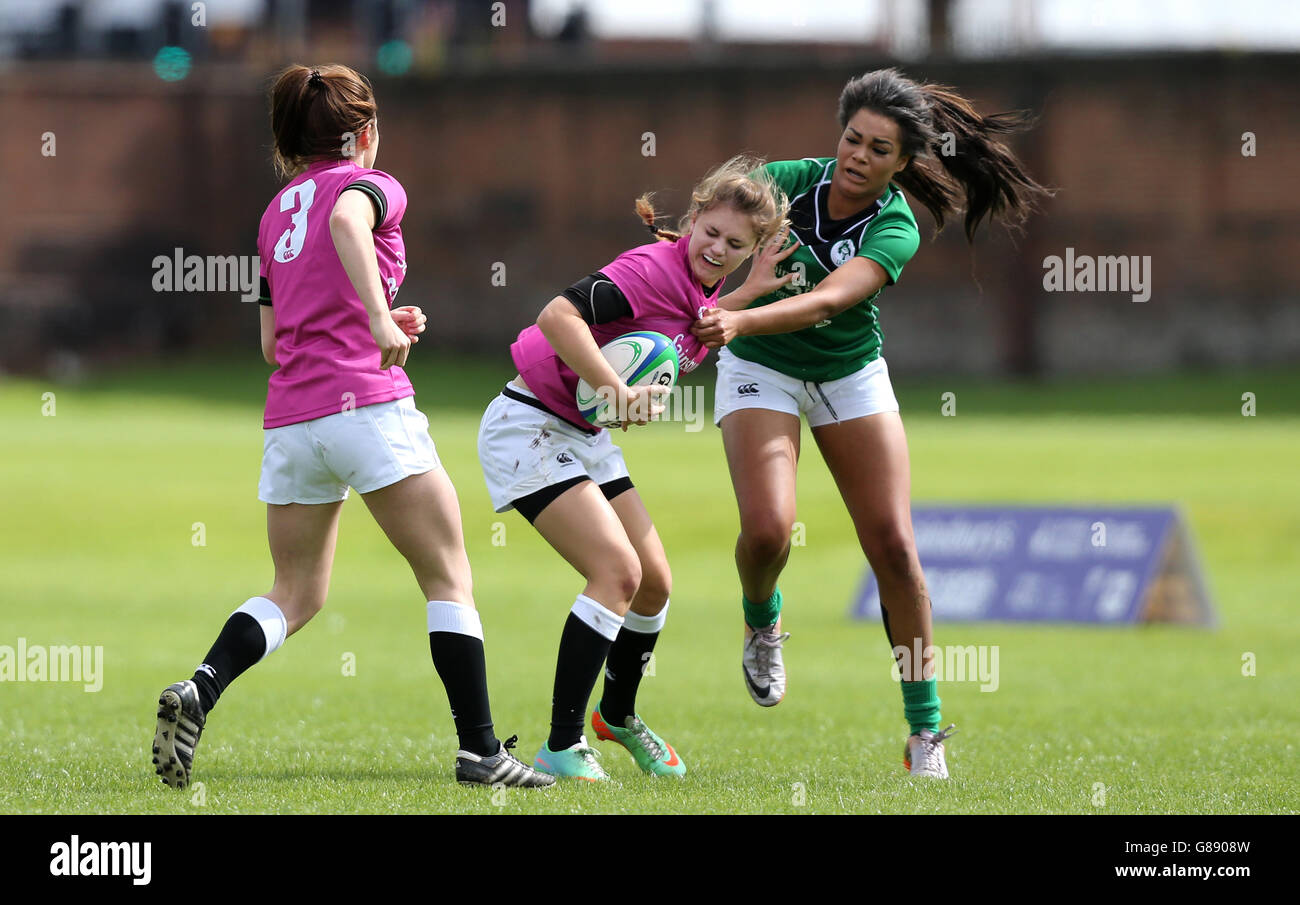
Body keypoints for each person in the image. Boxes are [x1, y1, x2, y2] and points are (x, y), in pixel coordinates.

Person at [151, 64, 552, 791]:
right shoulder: (371, 184)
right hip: (365, 405)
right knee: (448, 575)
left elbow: (275, 342)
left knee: (296, 590)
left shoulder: (274, 214)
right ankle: (482, 751)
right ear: (364, 133)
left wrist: (370, 315)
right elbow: (346, 222)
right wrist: (374, 318)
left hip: (292, 419)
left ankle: (202, 685)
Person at [691, 69, 1052, 778]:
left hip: (848, 374)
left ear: (903, 161)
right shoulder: (786, 182)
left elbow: (829, 301)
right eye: (852, 138)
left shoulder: (895, 226)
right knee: (767, 529)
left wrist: (735, 316)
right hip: (760, 366)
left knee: (894, 548)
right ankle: (762, 617)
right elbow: (708, 236)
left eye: (878, 148)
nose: (858, 155)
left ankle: (926, 734)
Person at [478, 157, 789, 780]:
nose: (718, 249)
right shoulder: (649, 270)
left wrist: (749, 293)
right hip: (529, 425)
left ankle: (616, 716)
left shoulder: (705, 301)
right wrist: (615, 386)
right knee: (616, 572)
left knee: (653, 584)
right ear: (693, 218)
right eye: (712, 233)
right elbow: (556, 316)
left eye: (736, 245)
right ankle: (561, 745)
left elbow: (681, 333)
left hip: (583, 435)